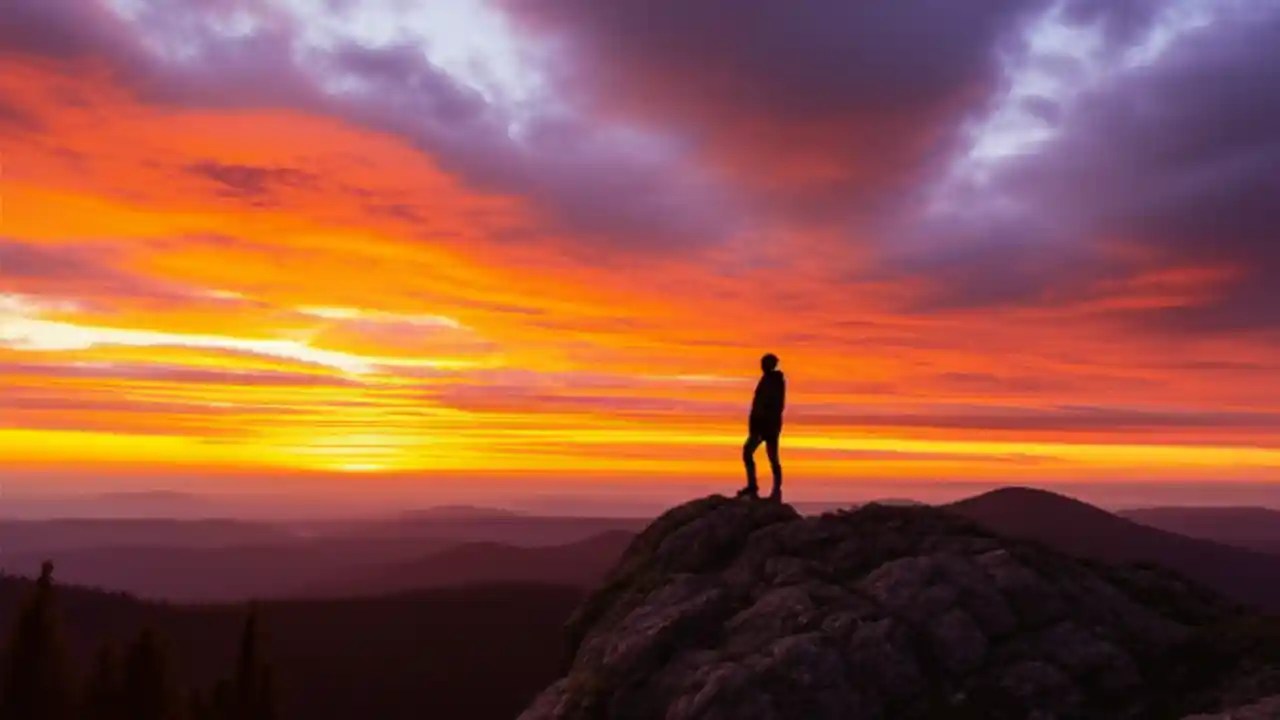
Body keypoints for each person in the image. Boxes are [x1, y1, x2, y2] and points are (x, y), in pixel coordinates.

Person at [738, 353, 785, 502]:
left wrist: (764, 423)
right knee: (751, 453)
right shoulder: (767, 380)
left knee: (770, 456)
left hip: (767, 426)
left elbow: (774, 405)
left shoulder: (775, 381)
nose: (762, 366)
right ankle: (754, 486)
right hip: (761, 426)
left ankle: (774, 491)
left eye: (765, 363)